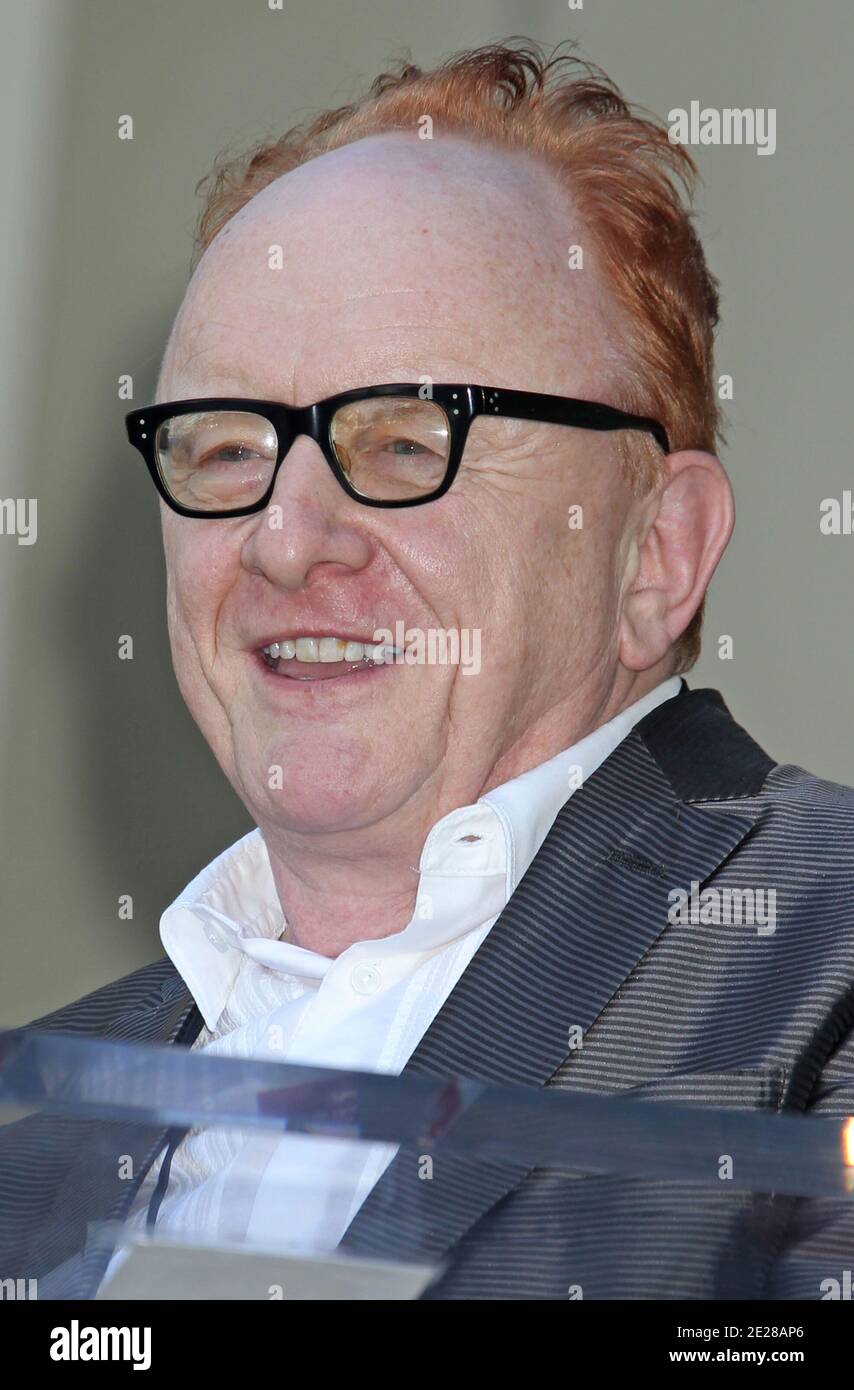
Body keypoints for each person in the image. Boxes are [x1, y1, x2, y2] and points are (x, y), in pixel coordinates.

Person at [3, 40, 853, 1300]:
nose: (284, 540)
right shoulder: (42, 1102)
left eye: (404, 441)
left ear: (652, 555)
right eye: (228, 449)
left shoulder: (816, 961)